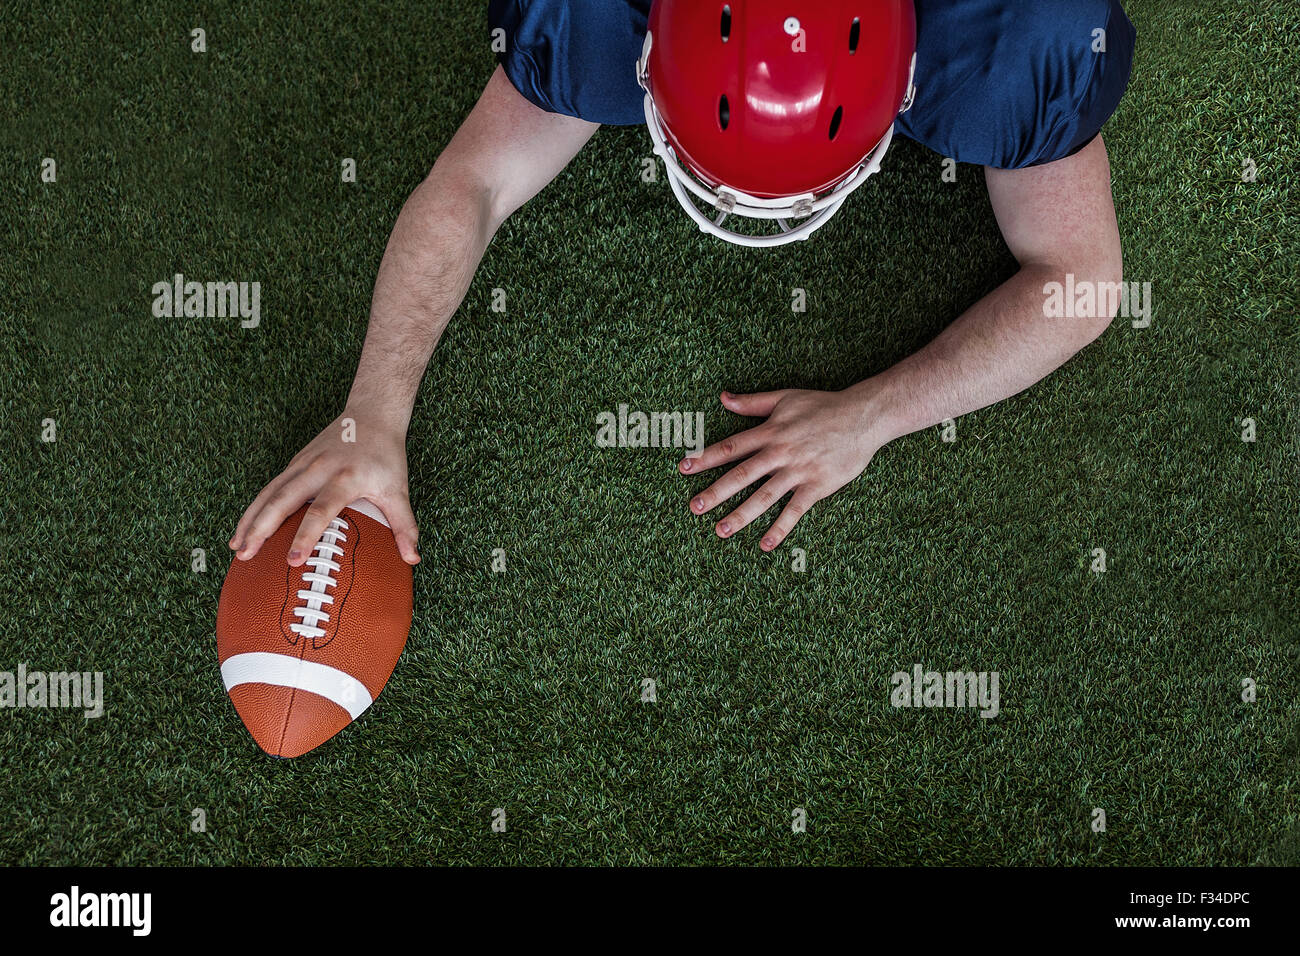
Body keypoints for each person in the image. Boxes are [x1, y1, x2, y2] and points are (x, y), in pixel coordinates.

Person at [230, 0, 1135, 564]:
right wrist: (372, 411)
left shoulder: (1023, 34)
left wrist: (874, 415)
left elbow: (1085, 287)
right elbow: (474, 185)